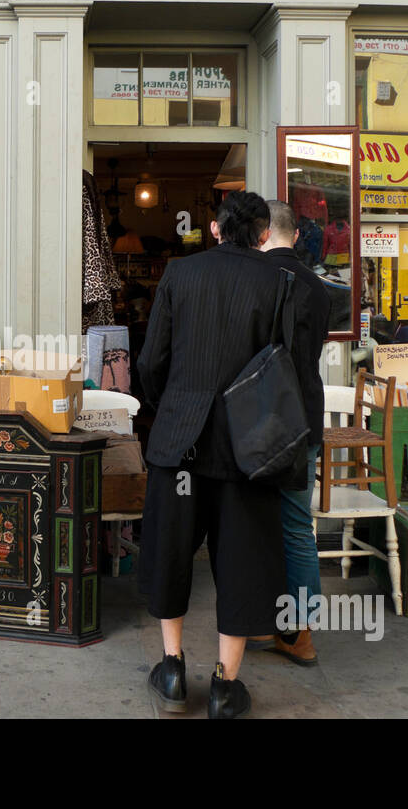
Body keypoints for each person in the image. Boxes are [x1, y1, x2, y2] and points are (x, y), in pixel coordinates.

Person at [137, 190, 310, 719]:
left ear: (214, 229)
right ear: (263, 236)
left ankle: (171, 670)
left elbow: (149, 362)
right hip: (248, 450)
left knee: (170, 553)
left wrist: (170, 411)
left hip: (180, 444)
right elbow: (289, 371)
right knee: (242, 560)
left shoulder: (179, 275)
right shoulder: (278, 281)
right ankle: (224, 686)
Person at [252, 199, 332, 666]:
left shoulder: (255, 280)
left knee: (255, 526)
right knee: (298, 528)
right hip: (306, 415)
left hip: (260, 417)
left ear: (261, 233)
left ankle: (265, 622)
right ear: (296, 235)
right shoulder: (319, 289)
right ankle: (300, 632)